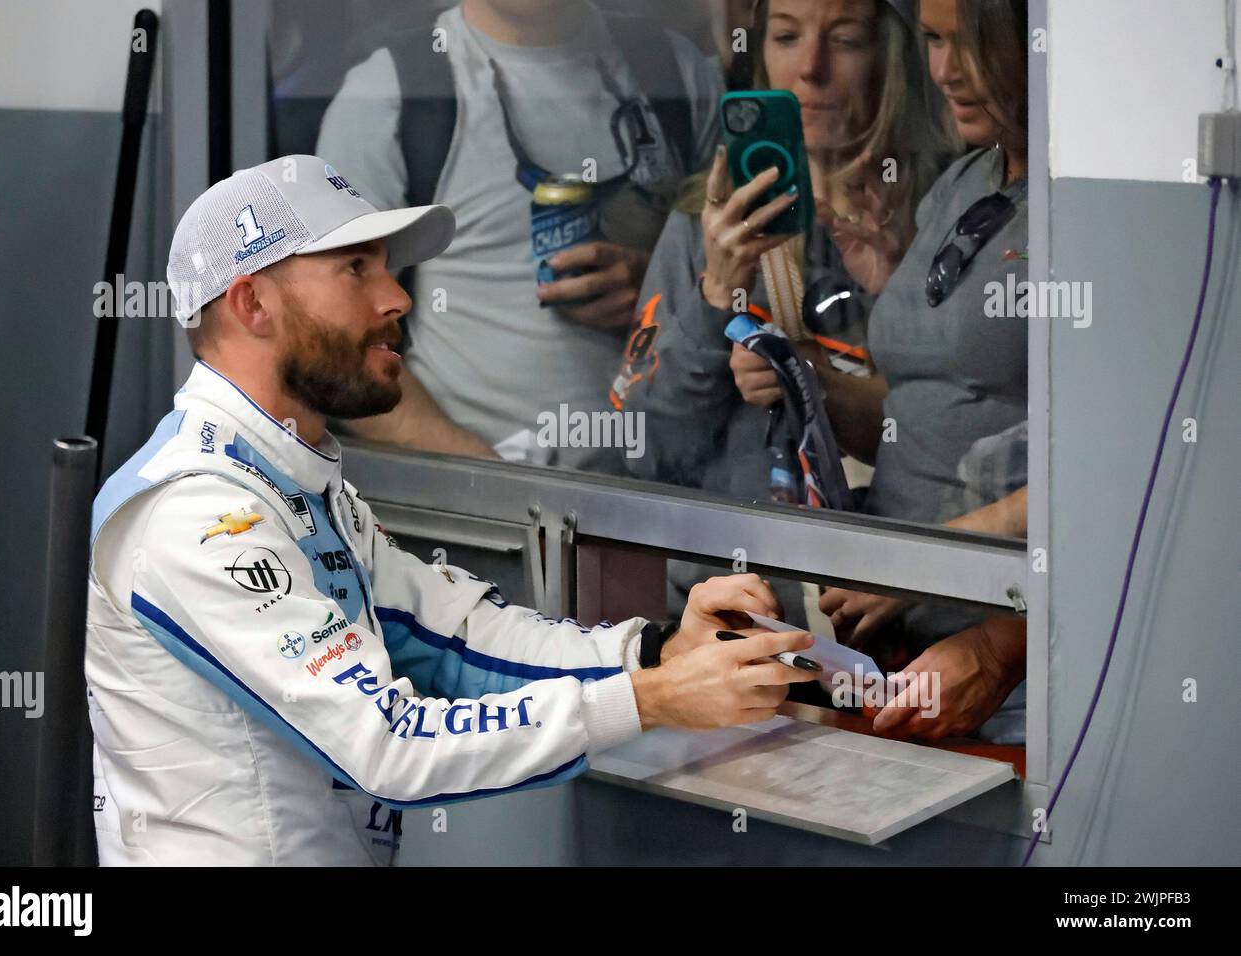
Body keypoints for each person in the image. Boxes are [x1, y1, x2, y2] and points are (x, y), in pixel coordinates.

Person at [84, 155, 815, 865]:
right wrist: (650, 699)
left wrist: (655, 653)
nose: (396, 297)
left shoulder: (292, 481)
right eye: (356, 268)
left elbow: (464, 637)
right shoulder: (196, 513)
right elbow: (390, 746)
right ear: (252, 304)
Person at [614, 0, 953, 619]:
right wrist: (717, 295)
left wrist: (819, 371)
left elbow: (956, 436)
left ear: (888, 57)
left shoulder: (945, 214)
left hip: (905, 611)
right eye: (787, 36)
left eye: (845, 39)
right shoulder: (702, 226)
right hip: (740, 619)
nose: (812, 69)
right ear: (759, 52)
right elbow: (646, 453)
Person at [747, 0, 1031, 741]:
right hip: (893, 636)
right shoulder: (964, 180)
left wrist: (929, 574)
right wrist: (806, 379)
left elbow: (1111, 480)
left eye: (972, 44)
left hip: (1005, 653)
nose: (946, 72)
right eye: (934, 41)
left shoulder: (1090, 205)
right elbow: (916, 414)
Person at [315, 0, 724, 470]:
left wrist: (659, 286)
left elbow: (746, 290)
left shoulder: (673, 69)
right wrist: (488, 477)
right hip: (485, 518)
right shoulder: (391, 91)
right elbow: (336, 348)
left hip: (675, 498)